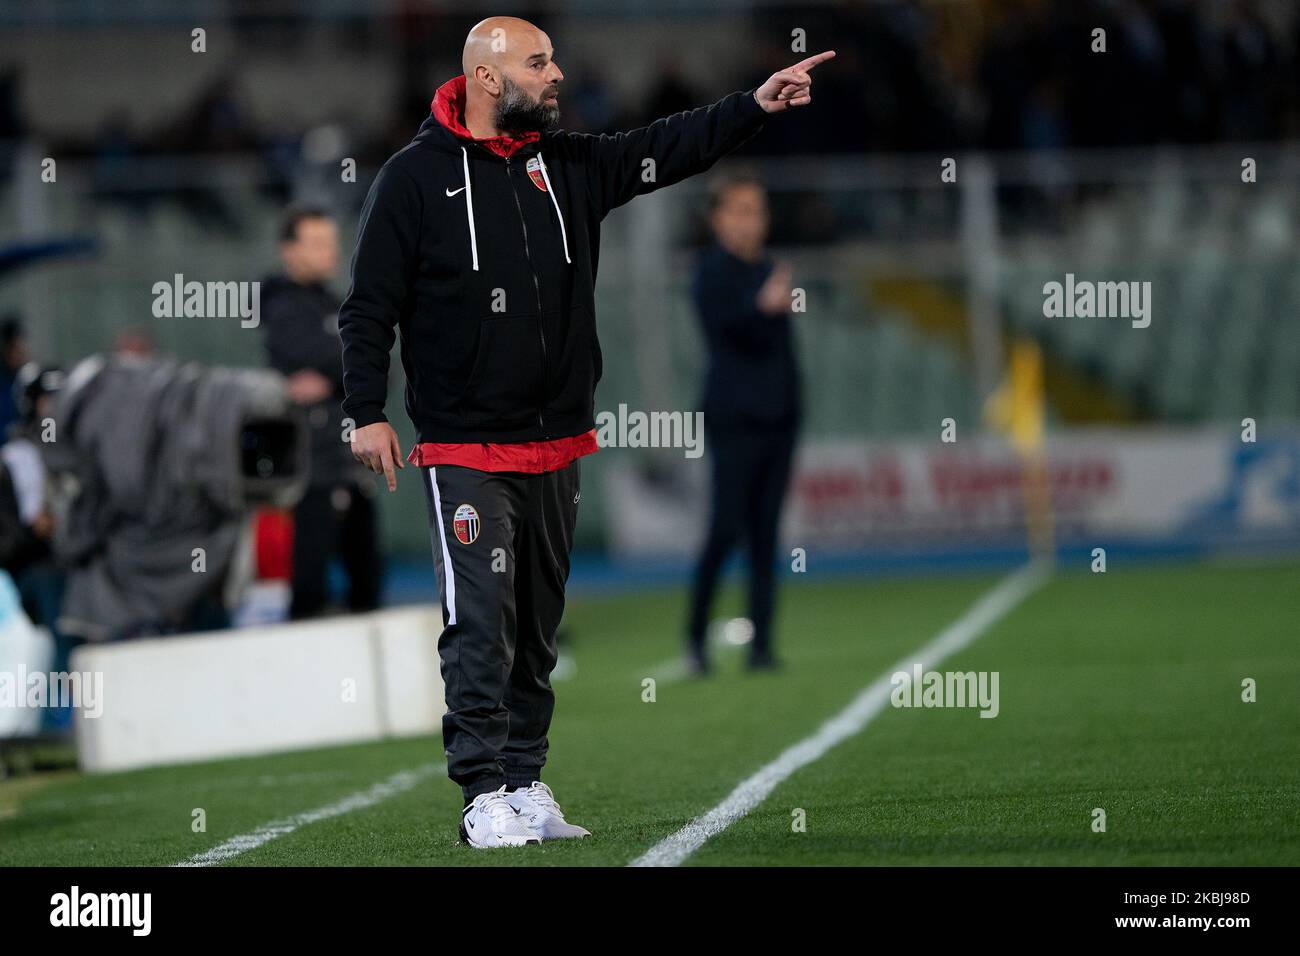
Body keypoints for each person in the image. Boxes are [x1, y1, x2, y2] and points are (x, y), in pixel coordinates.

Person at [340, 14, 832, 849]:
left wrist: (752, 104)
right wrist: (364, 411)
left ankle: (526, 780)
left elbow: (669, 146)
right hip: (463, 447)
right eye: (540, 62)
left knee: (536, 629)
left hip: (557, 443)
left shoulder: (567, 166)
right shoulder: (415, 178)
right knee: (480, 620)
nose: (558, 73)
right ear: (490, 79)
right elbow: (368, 308)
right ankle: (481, 795)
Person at [685, 175, 801, 675]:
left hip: (778, 418)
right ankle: (694, 639)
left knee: (766, 534)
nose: (750, 219)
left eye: (756, 209)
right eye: (739, 209)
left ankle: (761, 645)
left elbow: (781, 351)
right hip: (735, 418)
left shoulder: (771, 268)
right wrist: (763, 306)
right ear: (717, 218)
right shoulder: (711, 273)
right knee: (726, 528)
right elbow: (727, 333)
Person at [263, 206, 381, 619]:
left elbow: (380, 362)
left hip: (352, 458)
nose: (329, 251)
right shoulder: (281, 305)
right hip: (312, 462)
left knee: (367, 575)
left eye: (330, 242)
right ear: (289, 251)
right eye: (316, 243)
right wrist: (351, 369)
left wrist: (333, 376)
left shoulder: (334, 301)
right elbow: (343, 357)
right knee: (310, 577)